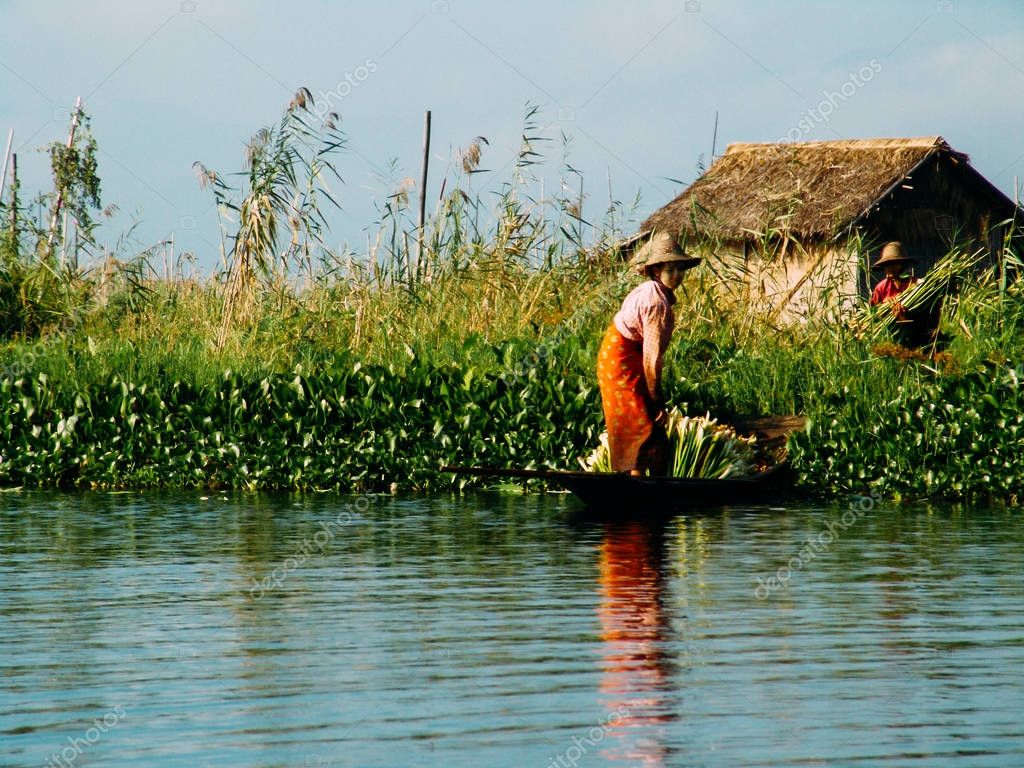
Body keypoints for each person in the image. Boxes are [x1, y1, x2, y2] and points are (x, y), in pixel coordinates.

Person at [597, 232, 701, 476]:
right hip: (620, 360)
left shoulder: (652, 291)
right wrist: (657, 401)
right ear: (656, 271)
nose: (677, 276)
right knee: (643, 425)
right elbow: (651, 361)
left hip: (621, 355)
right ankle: (636, 482)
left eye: (680, 269)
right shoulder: (655, 302)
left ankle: (636, 479)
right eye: (671, 270)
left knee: (642, 425)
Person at [869, 241, 917, 317]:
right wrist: (883, 304)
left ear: (902, 264)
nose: (890, 267)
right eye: (887, 264)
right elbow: (872, 314)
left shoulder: (914, 284)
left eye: (895, 263)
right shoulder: (881, 288)